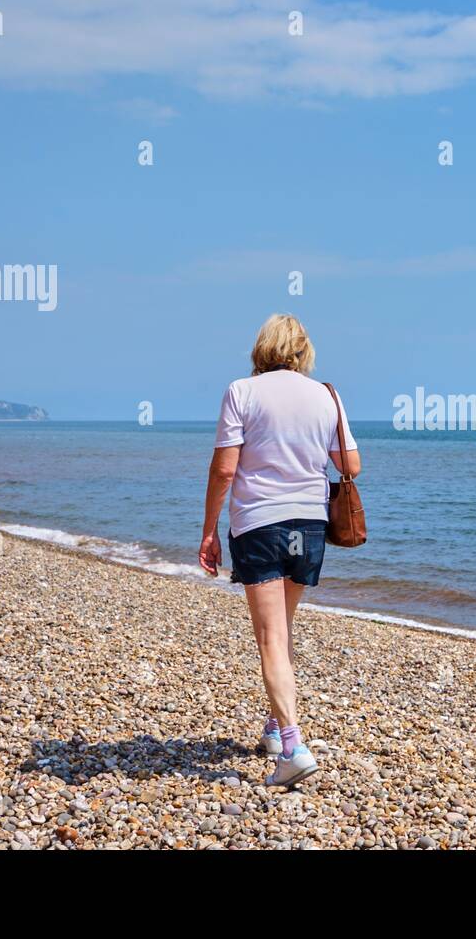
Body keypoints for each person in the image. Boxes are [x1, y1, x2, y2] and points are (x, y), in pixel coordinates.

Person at [198, 314, 361, 788]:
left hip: (260, 526)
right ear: (303, 350)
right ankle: (273, 729)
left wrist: (209, 531)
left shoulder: (241, 392)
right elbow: (351, 464)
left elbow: (224, 471)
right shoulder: (326, 395)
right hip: (308, 526)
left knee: (271, 638)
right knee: (282, 632)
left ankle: (292, 746)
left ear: (262, 348)